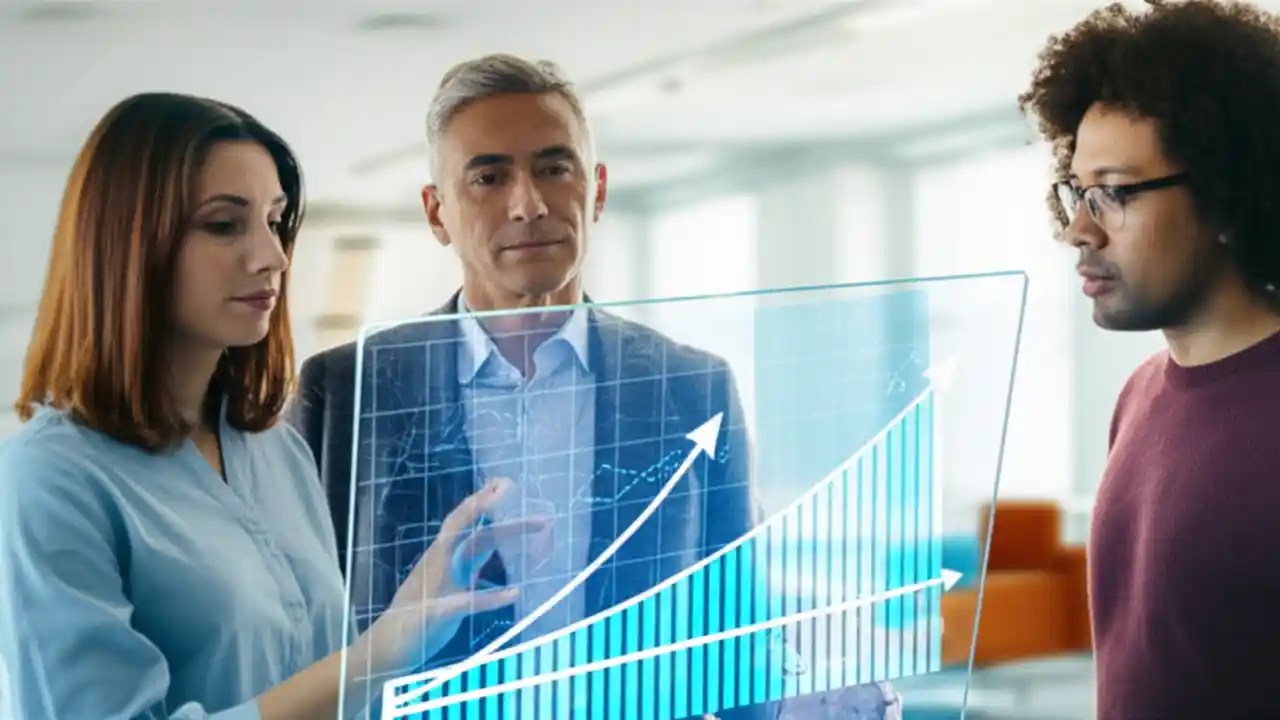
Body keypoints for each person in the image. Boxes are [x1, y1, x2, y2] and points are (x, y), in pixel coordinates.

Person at [292, 54, 901, 719]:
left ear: (598, 190)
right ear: (436, 212)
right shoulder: (347, 391)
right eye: (489, 177)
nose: (528, 204)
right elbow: (301, 637)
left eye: (555, 168)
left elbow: (740, 645)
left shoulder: (694, 388)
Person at [0, 92, 537, 720]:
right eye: (224, 225)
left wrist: (406, 637)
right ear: (129, 244)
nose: (273, 256)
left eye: (275, 220)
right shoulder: (51, 479)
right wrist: (381, 651)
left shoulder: (277, 449)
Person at [1019, 1, 1280, 716]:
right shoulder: (1140, 395)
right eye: (1077, 191)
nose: (1077, 230)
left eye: (1114, 193)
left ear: (1227, 198)